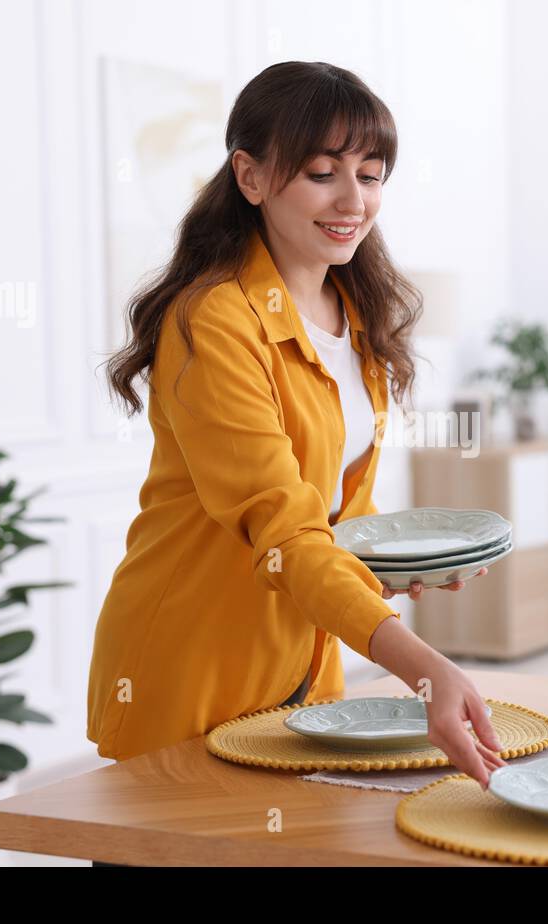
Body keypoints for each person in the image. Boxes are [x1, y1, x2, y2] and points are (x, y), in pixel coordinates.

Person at [87, 61, 505, 788]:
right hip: (191, 671)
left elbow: (339, 515)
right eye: (322, 173)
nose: (354, 199)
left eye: (371, 175)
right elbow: (284, 526)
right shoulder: (213, 320)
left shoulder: (355, 313)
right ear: (250, 178)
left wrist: (406, 568)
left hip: (306, 670)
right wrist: (421, 665)